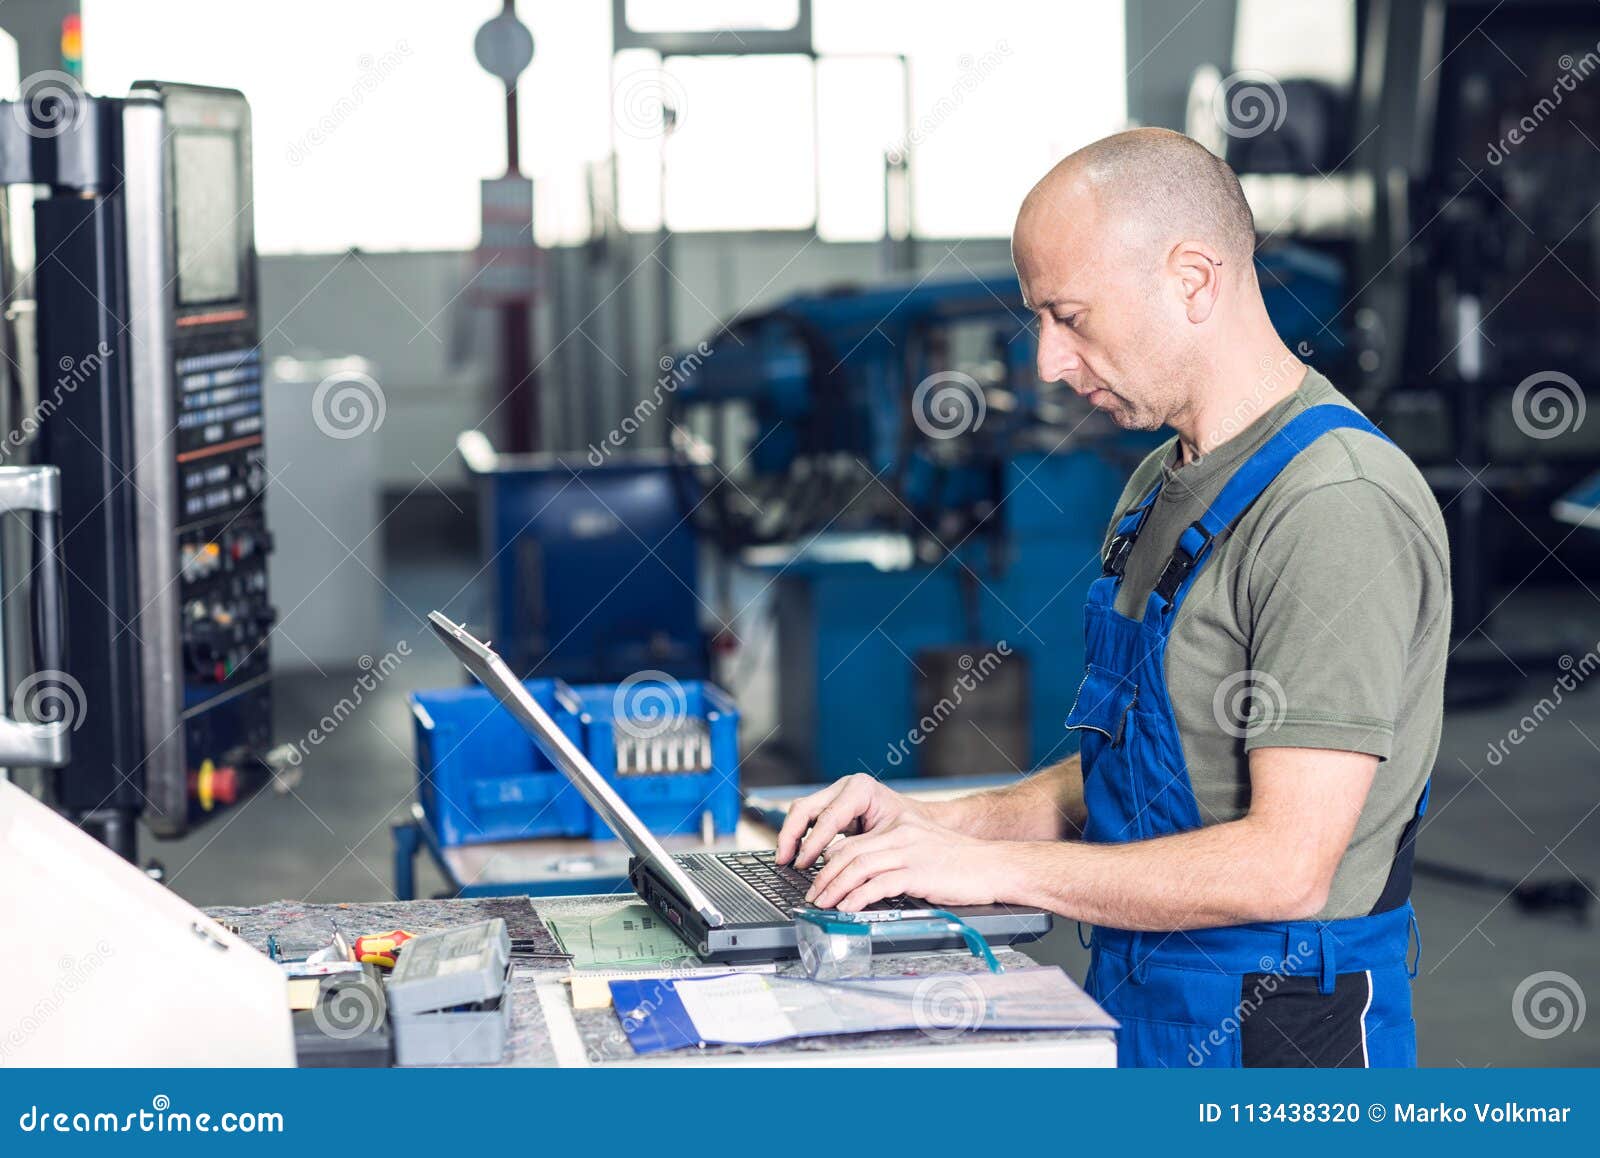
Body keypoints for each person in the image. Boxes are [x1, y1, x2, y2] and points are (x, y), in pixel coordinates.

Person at [776, 128, 1451, 1068]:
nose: (1048, 360)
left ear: (1192, 280)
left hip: (1275, 1033)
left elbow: (1287, 866)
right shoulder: (1156, 487)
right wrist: (928, 825)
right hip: (1138, 994)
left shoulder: (1334, 505)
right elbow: (1128, 779)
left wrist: (988, 869)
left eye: (1071, 316)